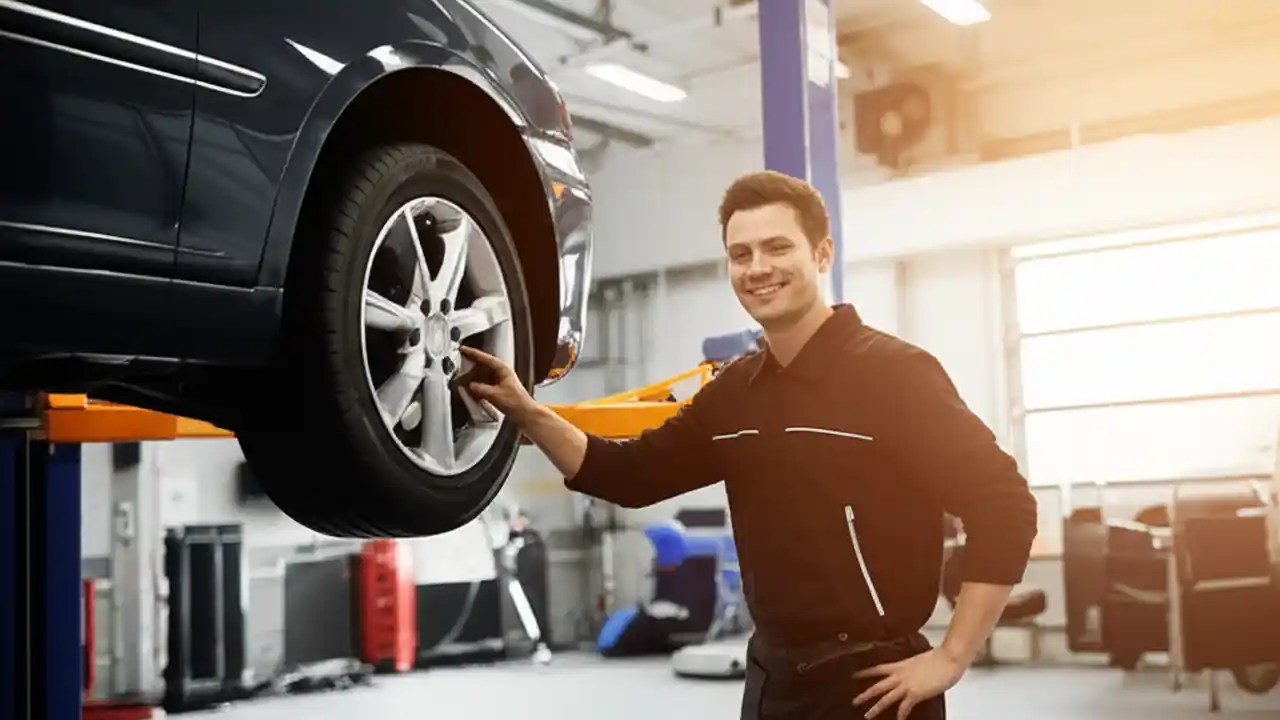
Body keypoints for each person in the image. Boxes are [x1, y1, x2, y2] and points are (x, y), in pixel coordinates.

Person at [461, 171, 1039, 719]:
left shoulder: (894, 374)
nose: (757, 268)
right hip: (772, 681)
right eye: (741, 255)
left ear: (822, 254)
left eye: (777, 247)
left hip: (874, 688)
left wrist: (951, 657)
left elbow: (1003, 504)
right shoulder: (735, 393)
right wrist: (526, 410)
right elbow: (627, 476)